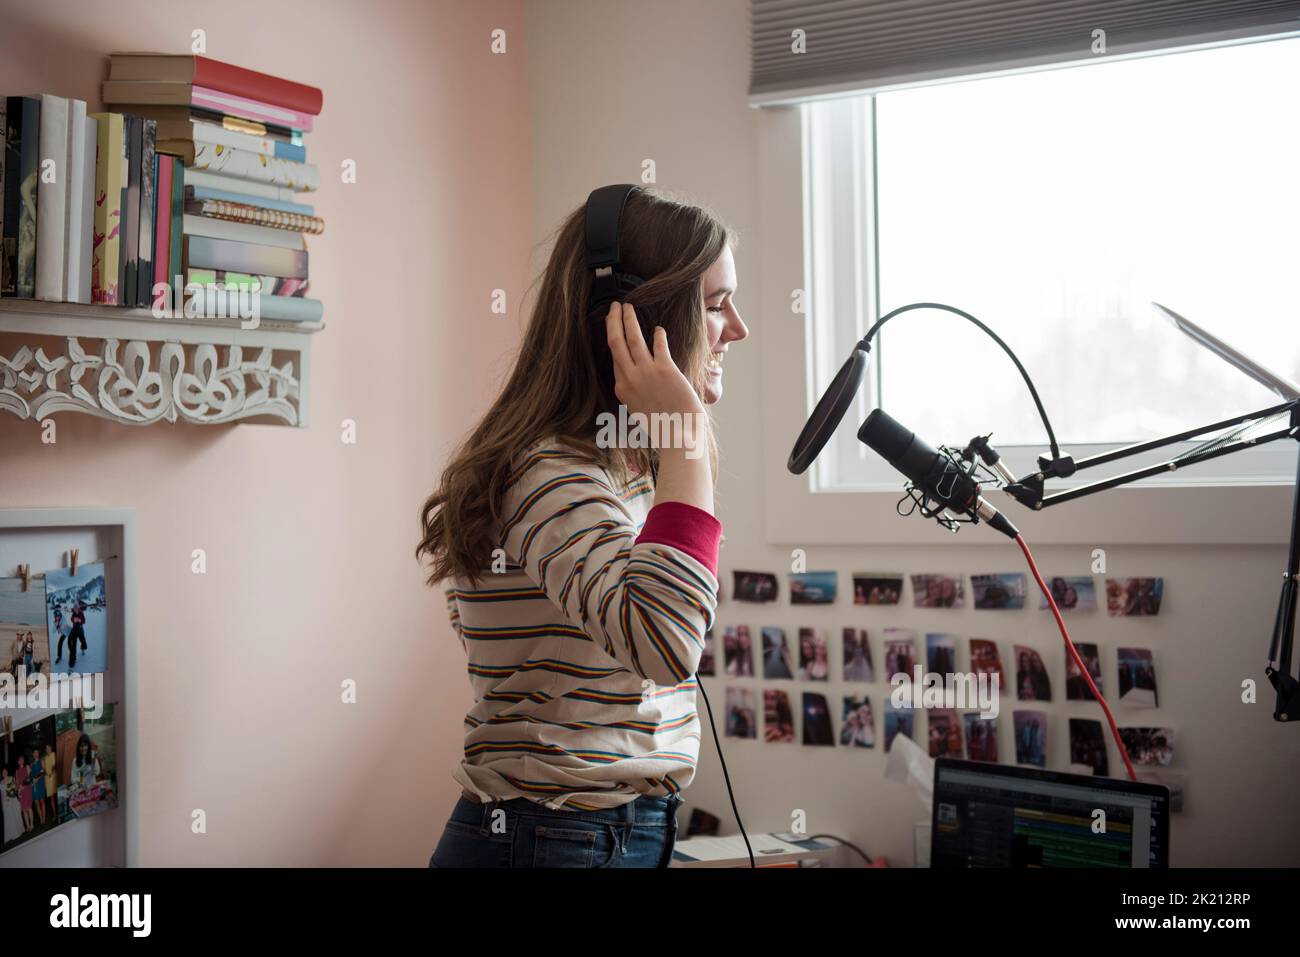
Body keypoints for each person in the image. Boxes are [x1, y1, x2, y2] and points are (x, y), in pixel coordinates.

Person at [418, 187, 746, 868]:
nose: (736, 327)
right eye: (714, 304)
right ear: (632, 316)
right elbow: (665, 643)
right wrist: (686, 439)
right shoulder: (548, 472)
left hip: (600, 832)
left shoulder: (622, 467)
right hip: (554, 838)